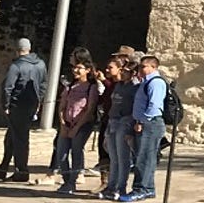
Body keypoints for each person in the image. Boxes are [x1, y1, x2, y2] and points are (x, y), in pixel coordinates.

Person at [0, 37, 47, 183]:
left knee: (20, 138)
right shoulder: (40, 64)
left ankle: (22, 171)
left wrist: (6, 105)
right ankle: (3, 168)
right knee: (12, 137)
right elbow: (43, 84)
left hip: (18, 106)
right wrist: (38, 100)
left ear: (17, 50)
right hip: (31, 105)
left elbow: (8, 87)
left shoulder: (16, 66)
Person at [119, 56, 168, 202]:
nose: (140, 69)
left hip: (150, 124)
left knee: (144, 158)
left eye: (144, 66)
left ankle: (141, 189)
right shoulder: (145, 82)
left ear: (154, 67)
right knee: (143, 157)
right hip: (144, 123)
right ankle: (148, 188)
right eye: (140, 66)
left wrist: (142, 121)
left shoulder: (156, 82)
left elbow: (154, 106)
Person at [54, 60, 100, 195]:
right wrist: (63, 124)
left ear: (87, 70)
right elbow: (62, 107)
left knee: (76, 151)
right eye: (75, 67)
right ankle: (66, 179)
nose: (75, 70)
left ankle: (72, 182)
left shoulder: (91, 88)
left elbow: (90, 109)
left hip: (82, 125)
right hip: (67, 123)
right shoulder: (70, 87)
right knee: (61, 153)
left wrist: (77, 127)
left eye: (79, 68)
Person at [101, 57, 139, 201]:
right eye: (122, 70)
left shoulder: (135, 87)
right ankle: (111, 186)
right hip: (113, 120)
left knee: (123, 158)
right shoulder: (119, 85)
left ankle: (121, 187)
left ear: (133, 73)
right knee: (113, 157)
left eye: (126, 71)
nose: (122, 73)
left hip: (125, 121)